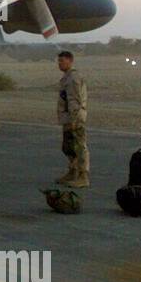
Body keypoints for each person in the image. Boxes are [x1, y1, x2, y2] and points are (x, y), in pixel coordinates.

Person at [55, 50, 89, 187]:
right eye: (59, 61)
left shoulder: (73, 78)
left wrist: (74, 120)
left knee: (79, 147)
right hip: (68, 118)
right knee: (68, 147)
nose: (59, 64)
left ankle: (83, 176)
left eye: (62, 61)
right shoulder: (67, 78)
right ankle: (73, 171)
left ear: (70, 61)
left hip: (74, 118)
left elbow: (74, 100)